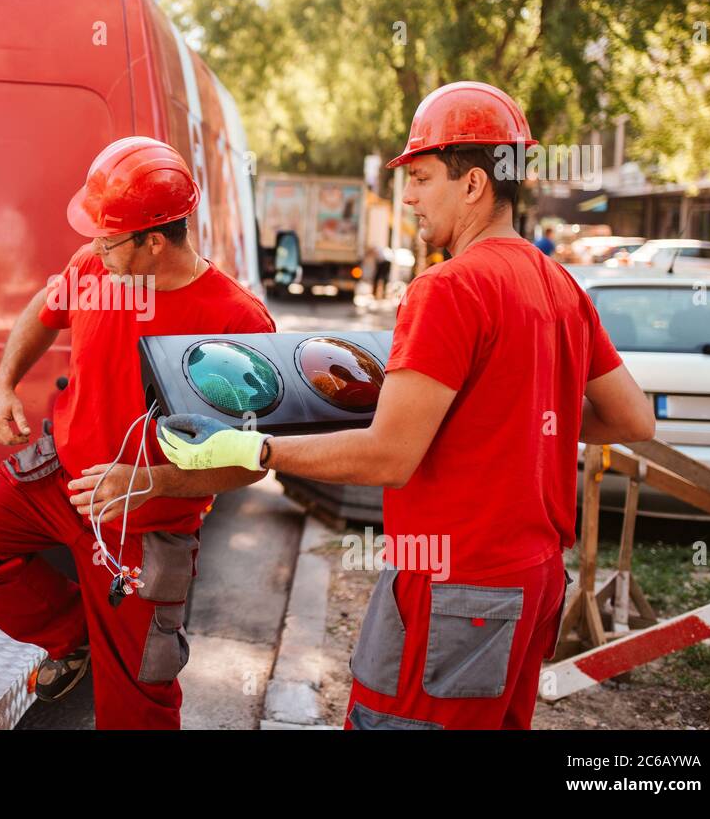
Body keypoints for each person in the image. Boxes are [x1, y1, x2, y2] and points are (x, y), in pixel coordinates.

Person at [156, 81, 655, 729]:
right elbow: (632, 418)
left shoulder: (448, 288)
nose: (409, 197)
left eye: (420, 177)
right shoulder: (557, 282)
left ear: (473, 183)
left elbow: (389, 455)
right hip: (532, 583)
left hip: (454, 585)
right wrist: (509, 419)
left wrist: (255, 447)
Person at [0, 136, 276, 729]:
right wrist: (3, 383)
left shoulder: (238, 322)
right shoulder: (94, 267)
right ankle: (80, 635)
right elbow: (44, 307)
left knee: (137, 707)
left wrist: (152, 480)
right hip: (60, 480)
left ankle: (113, 648)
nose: (94, 248)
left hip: (146, 520)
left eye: (110, 238)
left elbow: (254, 461)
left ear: (155, 242)